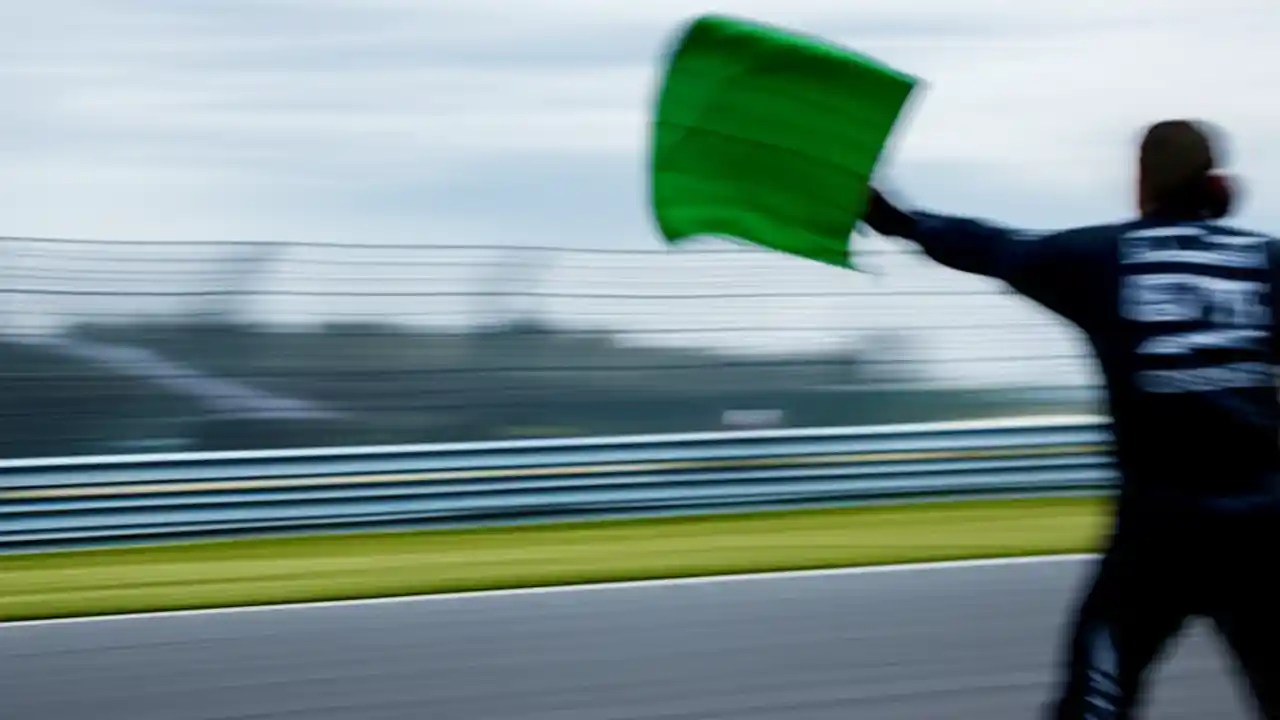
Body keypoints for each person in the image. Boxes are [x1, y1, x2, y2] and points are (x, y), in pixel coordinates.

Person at [859, 119, 1280, 718]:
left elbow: (993, 247)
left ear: (1144, 184)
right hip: (1263, 535)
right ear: (1216, 182)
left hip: (1158, 538)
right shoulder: (1266, 261)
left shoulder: (1100, 257)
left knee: (1093, 702)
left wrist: (894, 219)